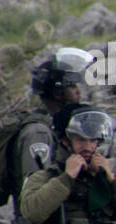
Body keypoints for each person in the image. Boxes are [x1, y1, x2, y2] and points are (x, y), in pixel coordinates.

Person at [14, 48, 93, 210]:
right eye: (72, 86)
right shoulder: (39, 133)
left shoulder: (56, 125)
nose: (78, 91)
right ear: (58, 93)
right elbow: (35, 191)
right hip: (41, 220)